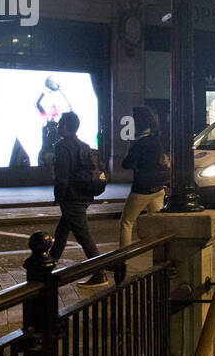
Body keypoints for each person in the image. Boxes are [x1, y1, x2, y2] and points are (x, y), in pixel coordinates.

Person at [49, 111, 107, 286]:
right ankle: (49, 264)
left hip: (71, 196)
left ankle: (99, 272)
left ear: (66, 126)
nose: (58, 126)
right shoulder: (83, 145)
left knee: (83, 236)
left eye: (60, 124)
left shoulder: (62, 146)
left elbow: (63, 176)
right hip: (84, 193)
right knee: (62, 232)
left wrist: (58, 196)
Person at [118, 106, 168, 248]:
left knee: (127, 222)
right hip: (158, 188)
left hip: (142, 188)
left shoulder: (139, 143)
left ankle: (122, 259)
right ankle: (161, 255)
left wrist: (131, 149)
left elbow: (126, 163)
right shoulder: (156, 139)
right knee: (157, 224)